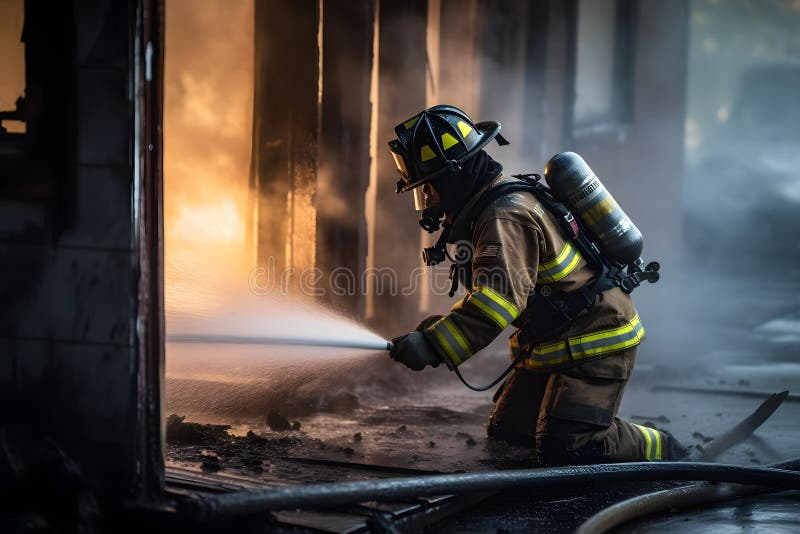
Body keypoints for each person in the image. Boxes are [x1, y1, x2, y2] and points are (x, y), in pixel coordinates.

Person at [387, 105, 685, 465]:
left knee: (572, 449)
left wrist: (435, 345)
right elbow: (503, 288)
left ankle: (663, 450)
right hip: (553, 343)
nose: (428, 203)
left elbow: (496, 302)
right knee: (512, 437)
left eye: (429, 190)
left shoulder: (503, 216)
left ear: (455, 175)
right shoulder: (495, 205)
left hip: (597, 340)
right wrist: (435, 331)